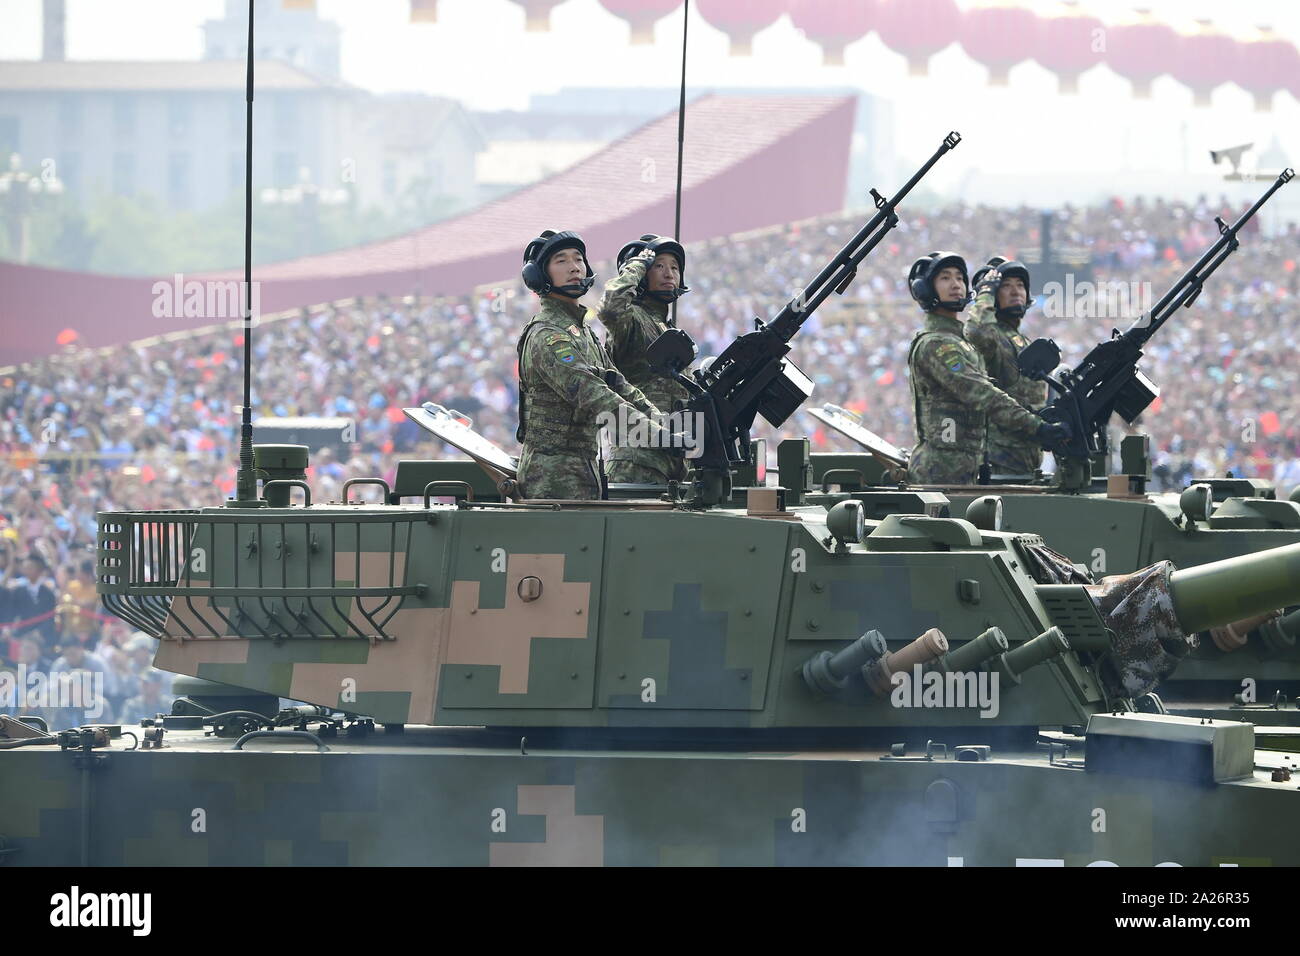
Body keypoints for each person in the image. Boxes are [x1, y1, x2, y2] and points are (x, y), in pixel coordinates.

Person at [515, 229, 665, 499]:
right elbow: (594, 394)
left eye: (578, 259)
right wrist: (656, 434)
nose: (574, 267)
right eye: (561, 261)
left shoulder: (583, 332)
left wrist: (662, 422)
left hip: (583, 470)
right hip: (552, 480)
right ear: (540, 276)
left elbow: (618, 383)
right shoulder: (548, 336)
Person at [904, 251, 1068, 485]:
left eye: (960, 278)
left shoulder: (958, 341)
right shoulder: (937, 344)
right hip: (940, 472)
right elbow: (982, 394)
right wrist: (1038, 427)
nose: (956, 285)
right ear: (925, 289)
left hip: (966, 469)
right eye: (945, 278)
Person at [599, 234, 694, 486]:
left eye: (674, 267)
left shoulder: (667, 329)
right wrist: (638, 265)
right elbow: (609, 308)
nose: (669, 273)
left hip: (674, 460)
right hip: (637, 458)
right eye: (659, 266)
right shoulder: (632, 320)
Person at [964, 257, 1048, 476]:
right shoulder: (992, 337)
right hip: (998, 459)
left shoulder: (1019, 339)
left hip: (1026, 455)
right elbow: (977, 331)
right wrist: (986, 292)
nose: (1015, 291)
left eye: (1020, 285)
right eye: (1006, 286)